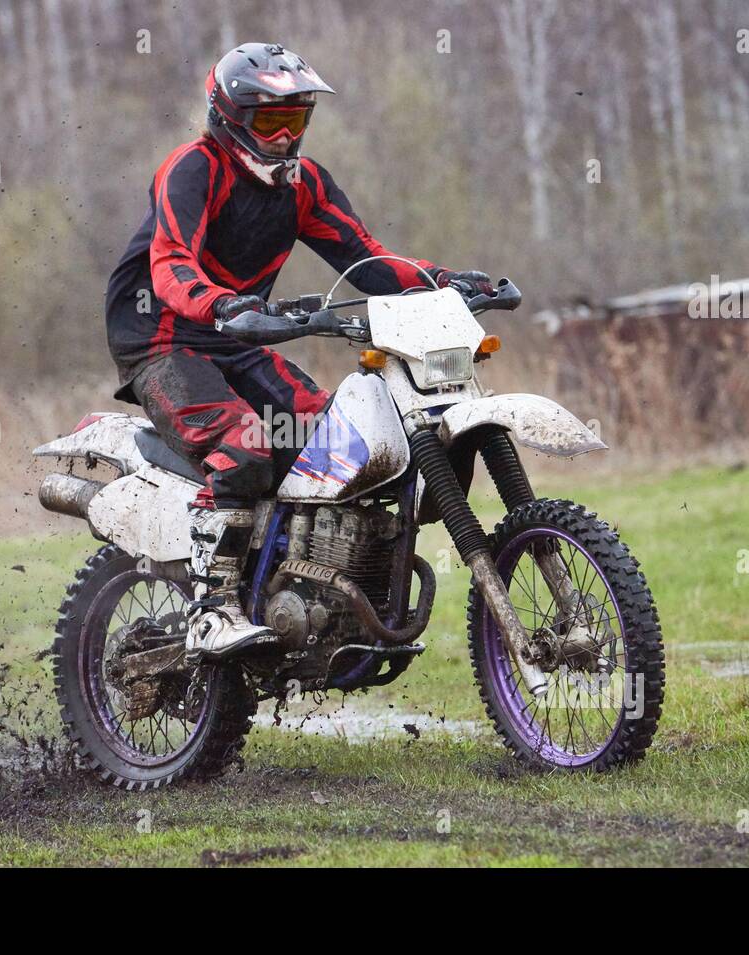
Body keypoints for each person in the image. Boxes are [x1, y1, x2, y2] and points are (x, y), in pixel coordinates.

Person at [103, 42, 493, 659]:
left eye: (297, 119)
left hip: (242, 332)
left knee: (336, 447)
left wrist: (449, 281)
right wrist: (225, 304)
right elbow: (171, 265)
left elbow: (370, 262)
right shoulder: (193, 169)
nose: (285, 137)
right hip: (164, 338)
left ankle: (309, 590)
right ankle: (215, 607)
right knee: (245, 446)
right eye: (269, 121)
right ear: (229, 116)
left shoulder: (304, 184)